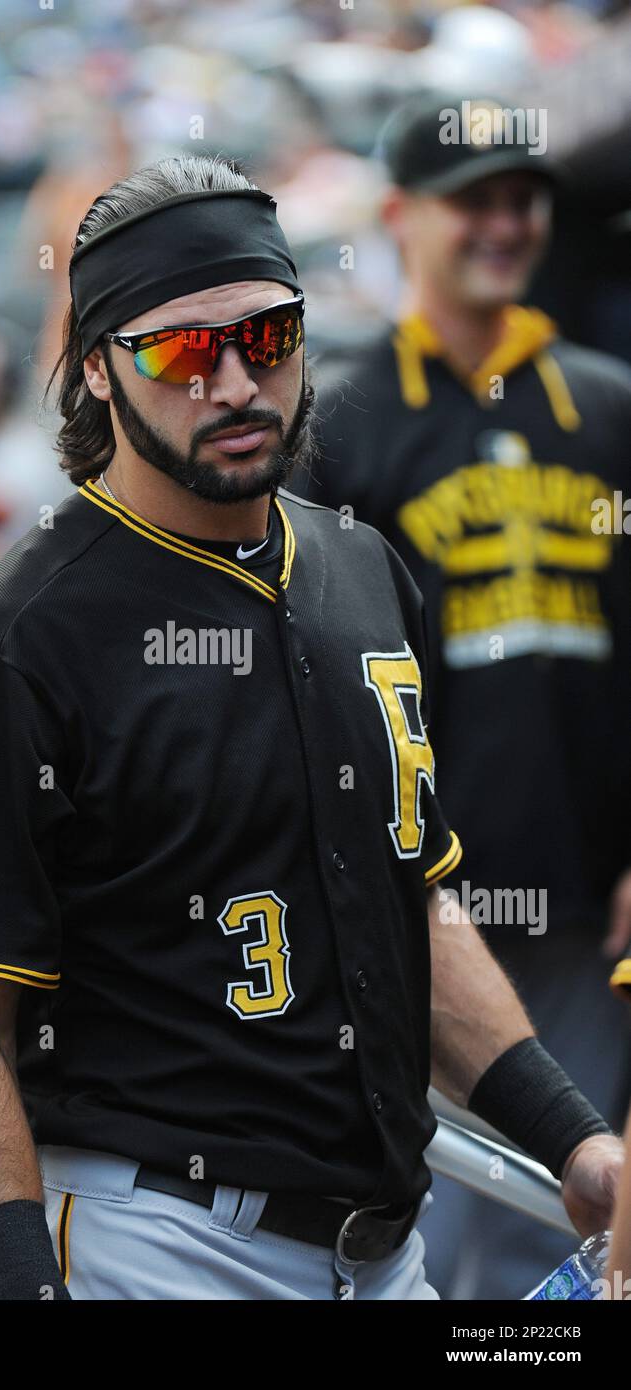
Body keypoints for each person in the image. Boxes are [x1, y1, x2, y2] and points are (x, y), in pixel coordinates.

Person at [0, 154, 623, 1302]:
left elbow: (408, 902)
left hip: (383, 1251)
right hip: (160, 1239)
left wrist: (570, 1136)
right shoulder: (12, 640)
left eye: (268, 336)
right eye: (183, 349)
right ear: (94, 368)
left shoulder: (360, 565)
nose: (233, 381)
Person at [289, 93, 631, 1298]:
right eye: (469, 199)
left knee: (581, 1215)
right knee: (441, 1219)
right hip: (420, 901)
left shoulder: (605, 405)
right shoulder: (341, 414)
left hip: (592, 903)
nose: (501, 222)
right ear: (398, 216)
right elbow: (306, 668)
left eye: (519, 197)